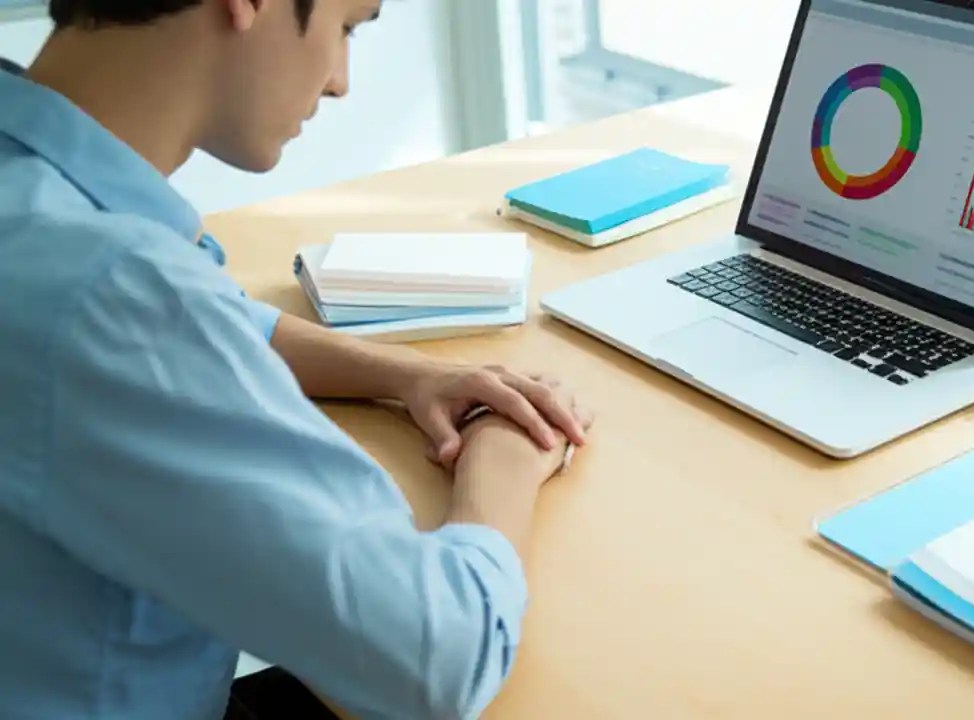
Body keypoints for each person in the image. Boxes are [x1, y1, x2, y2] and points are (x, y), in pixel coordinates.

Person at [0, 1, 594, 718]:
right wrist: (502, 462)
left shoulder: (38, 203)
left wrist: (407, 374)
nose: (341, 80)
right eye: (347, 27)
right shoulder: (110, 289)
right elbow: (436, 660)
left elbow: (210, 323)